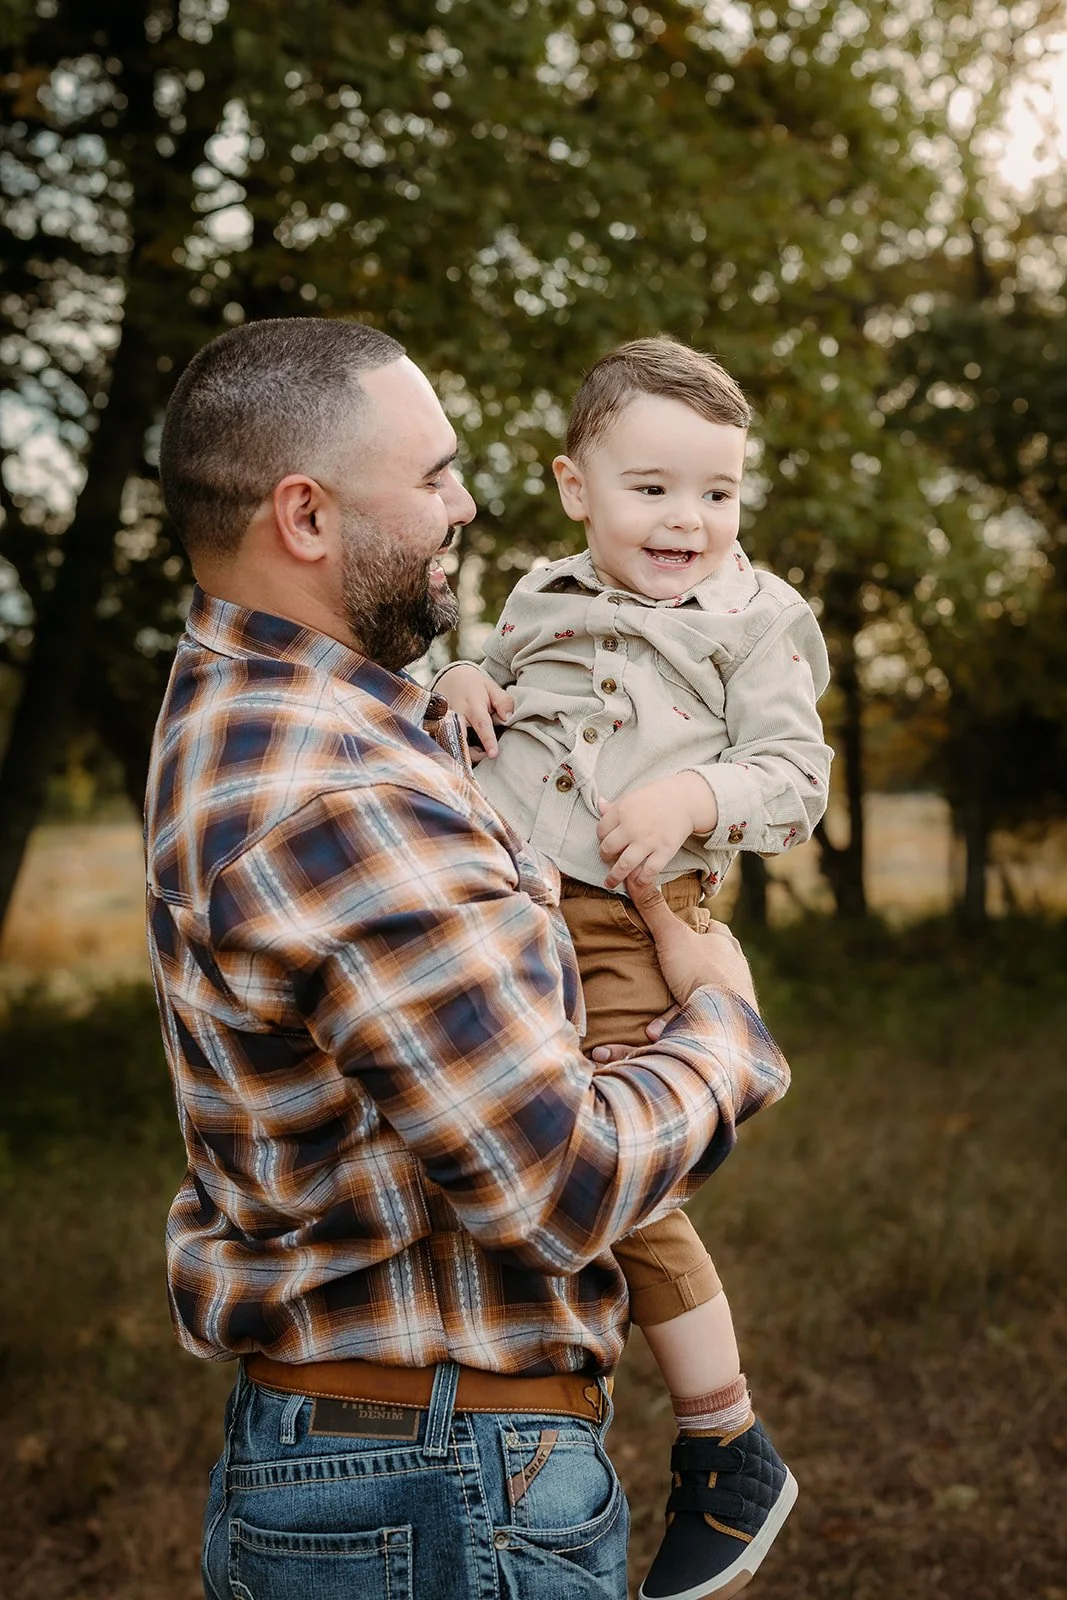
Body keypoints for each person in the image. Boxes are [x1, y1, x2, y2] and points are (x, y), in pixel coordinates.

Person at [148, 316, 793, 1600]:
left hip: (389, 1466)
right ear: (308, 517)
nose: (466, 503)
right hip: (438, 1488)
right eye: (434, 474)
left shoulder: (279, 711)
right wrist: (725, 1025)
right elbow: (559, 1176)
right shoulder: (334, 790)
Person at [436, 336, 831, 1600]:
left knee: (605, 1172)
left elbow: (793, 778)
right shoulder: (536, 592)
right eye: (651, 487)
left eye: (716, 493)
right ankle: (532, 1411)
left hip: (631, 920)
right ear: (572, 484)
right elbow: (498, 686)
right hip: (503, 911)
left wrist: (693, 788)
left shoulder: (758, 618)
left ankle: (725, 1436)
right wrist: (459, 676)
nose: (688, 519)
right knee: (480, 1146)